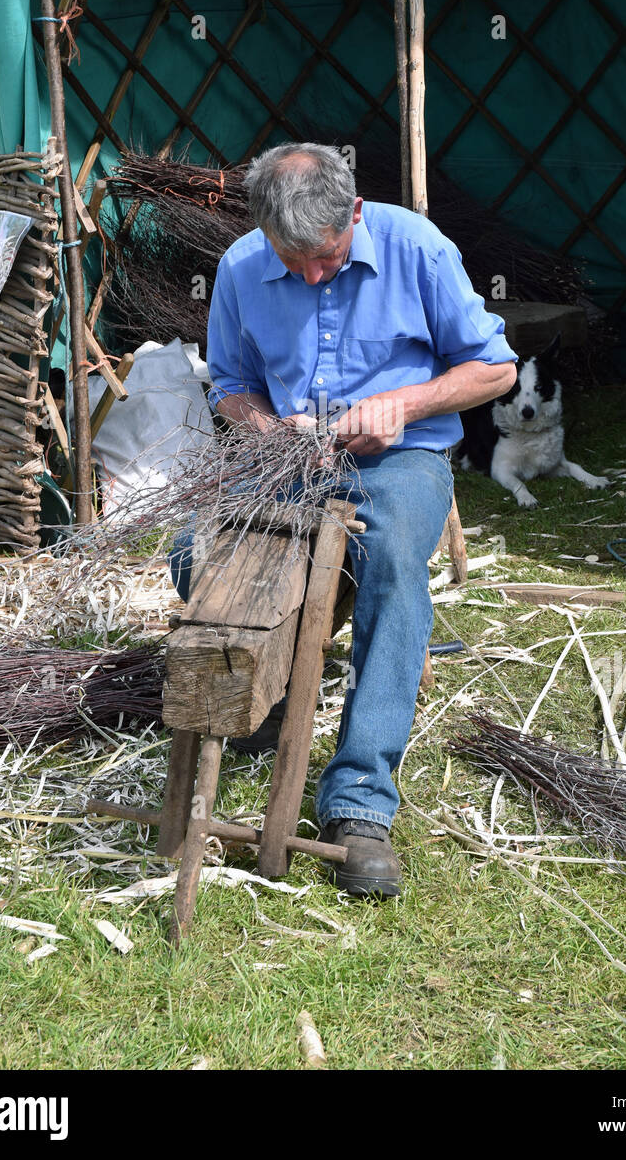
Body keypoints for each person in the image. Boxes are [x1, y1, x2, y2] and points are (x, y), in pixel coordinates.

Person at [170, 143, 517, 898]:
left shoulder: (416, 247)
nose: (310, 276)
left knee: (390, 561)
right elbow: (230, 381)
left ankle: (358, 802)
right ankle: (263, 699)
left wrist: (407, 403)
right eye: (291, 264)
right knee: (194, 553)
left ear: (353, 213)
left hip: (400, 461)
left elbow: (496, 367)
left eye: (325, 259)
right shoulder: (238, 267)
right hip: (291, 459)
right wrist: (262, 426)